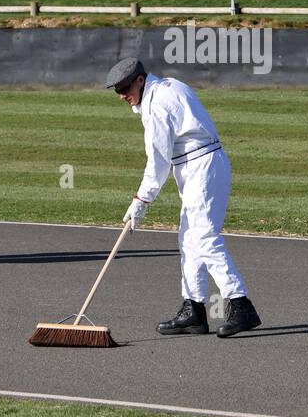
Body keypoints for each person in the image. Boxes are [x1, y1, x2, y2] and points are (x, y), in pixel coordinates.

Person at [107, 57, 260, 338]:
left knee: (203, 238)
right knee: (188, 239)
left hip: (201, 166)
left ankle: (240, 304)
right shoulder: (166, 86)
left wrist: (141, 201)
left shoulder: (157, 104)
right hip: (198, 164)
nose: (122, 95)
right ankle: (194, 309)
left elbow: (158, 162)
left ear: (140, 80)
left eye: (125, 87)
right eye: (117, 90)